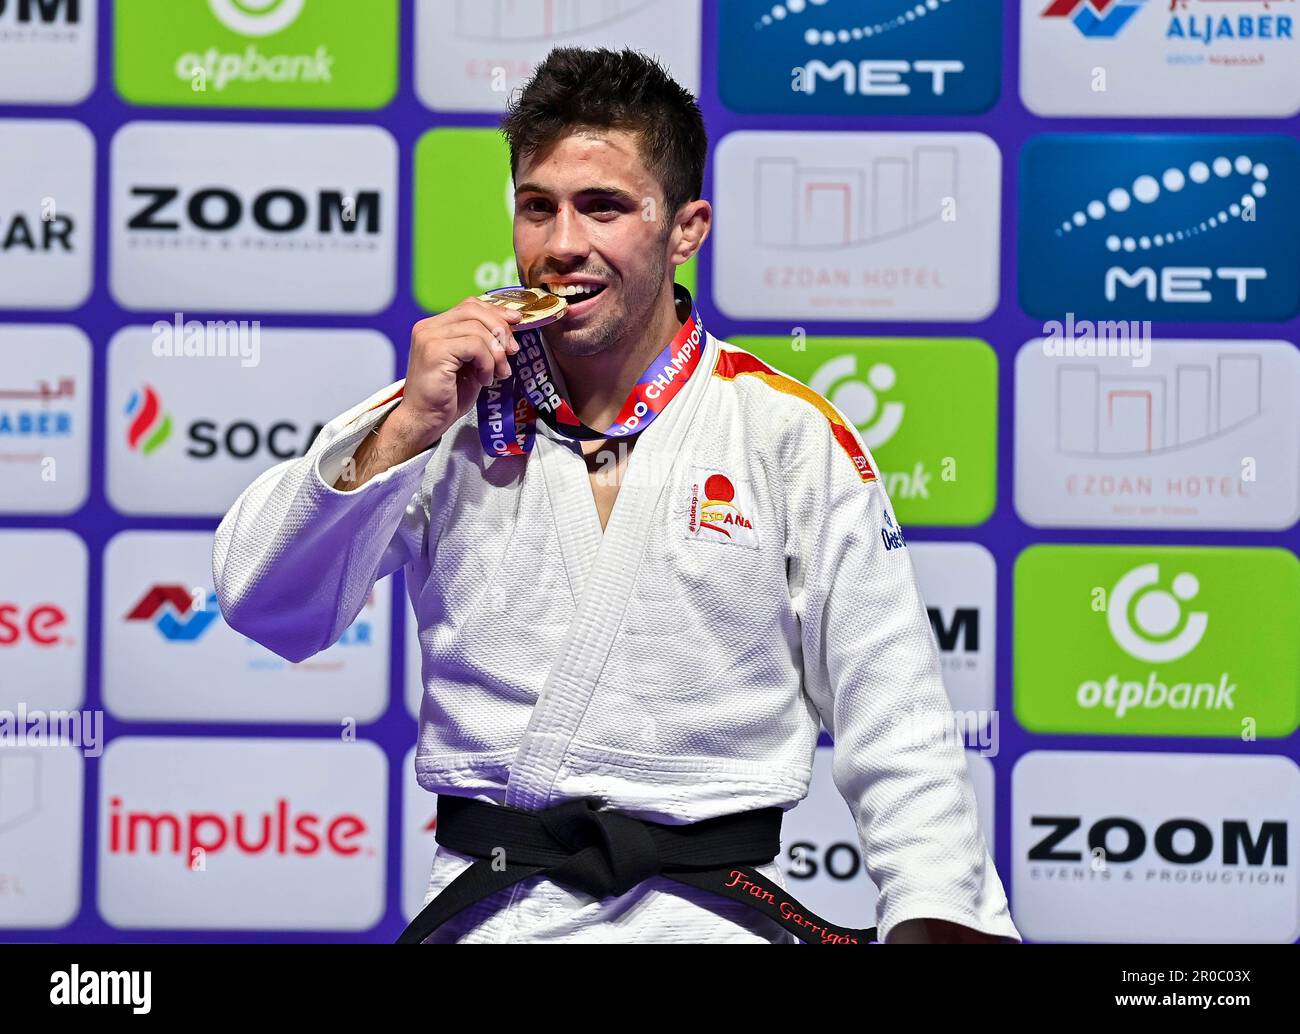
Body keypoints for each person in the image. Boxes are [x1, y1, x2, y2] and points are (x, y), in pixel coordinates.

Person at [212, 46, 1020, 945]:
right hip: (492, 916)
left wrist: (939, 915)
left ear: (686, 228)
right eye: (537, 207)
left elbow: (896, 713)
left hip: (711, 923)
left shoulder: (786, 434)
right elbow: (266, 607)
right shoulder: (444, 411)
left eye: (604, 207)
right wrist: (407, 426)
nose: (562, 246)